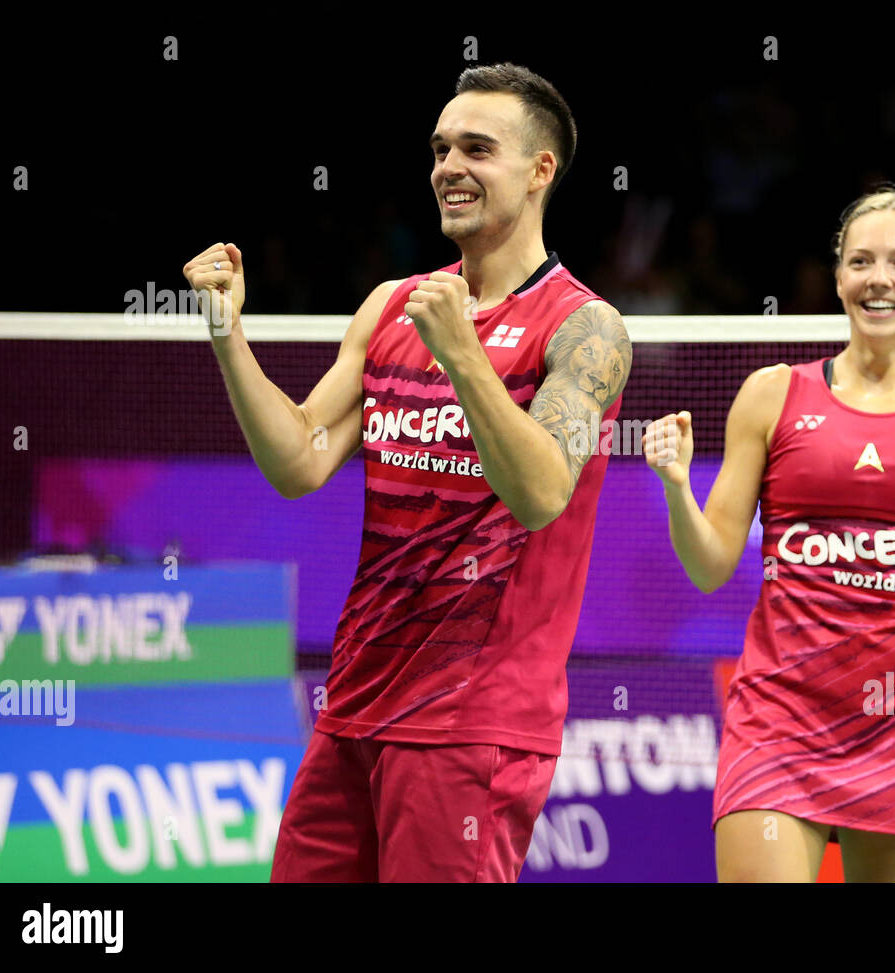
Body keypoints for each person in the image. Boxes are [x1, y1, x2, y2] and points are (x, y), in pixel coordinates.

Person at [182, 63, 631, 882]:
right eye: (439, 148)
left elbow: (540, 494)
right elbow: (301, 459)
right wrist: (227, 334)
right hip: (355, 701)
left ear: (541, 171)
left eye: (477, 149)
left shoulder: (585, 325)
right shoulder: (393, 304)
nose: (449, 166)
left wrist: (463, 354)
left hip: (473, 719)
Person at [644, 187, 895, 883]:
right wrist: (674, 486)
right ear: (839, 276)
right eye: (862, 260)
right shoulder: (773, 393)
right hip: (779, 719)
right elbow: (710, 564)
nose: (880, 278)